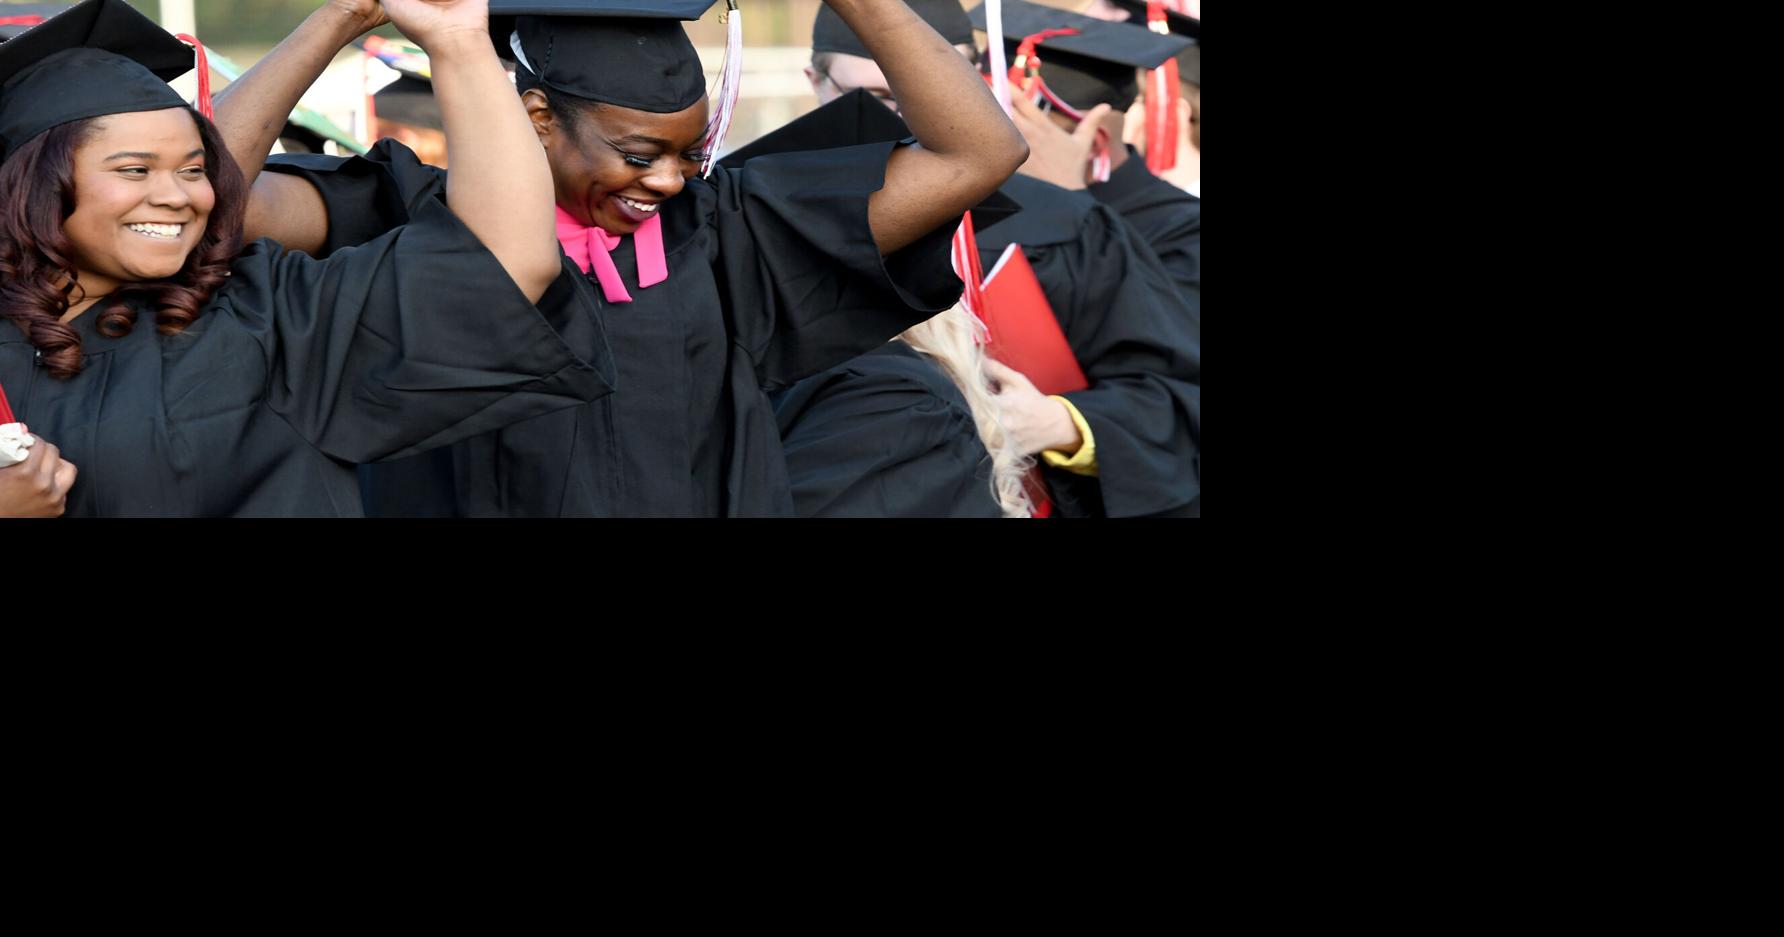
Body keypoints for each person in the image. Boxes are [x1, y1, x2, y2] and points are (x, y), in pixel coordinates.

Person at [213, 0, 1028, 517]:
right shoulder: (405, 216)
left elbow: (979, 153)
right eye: (639, 153)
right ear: (538, 118)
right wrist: (335, 20)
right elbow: (218, 204)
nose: (670, 179)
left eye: (690, 151)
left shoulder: (725, 239)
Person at [0, 0, 614, 517]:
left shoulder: (261, 318)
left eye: (193, 169)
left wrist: (456, 42)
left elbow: (506, 266)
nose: (177, 195)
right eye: (134, 170)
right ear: (34, 185)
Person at [808, 0, 1201, 516]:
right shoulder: (759, 214)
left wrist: (1062, 423)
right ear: (816, 80)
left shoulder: (1070, 226)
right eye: (875, 96)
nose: (896, 118)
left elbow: (1176, 399)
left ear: (970, 77)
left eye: (919, 91)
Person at [975, 0, 1200, 301]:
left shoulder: (1184, 230)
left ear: (1096, 140)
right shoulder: (982, 207)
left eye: (1021, 133)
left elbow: (1154, 338)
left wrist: (1069, 204)